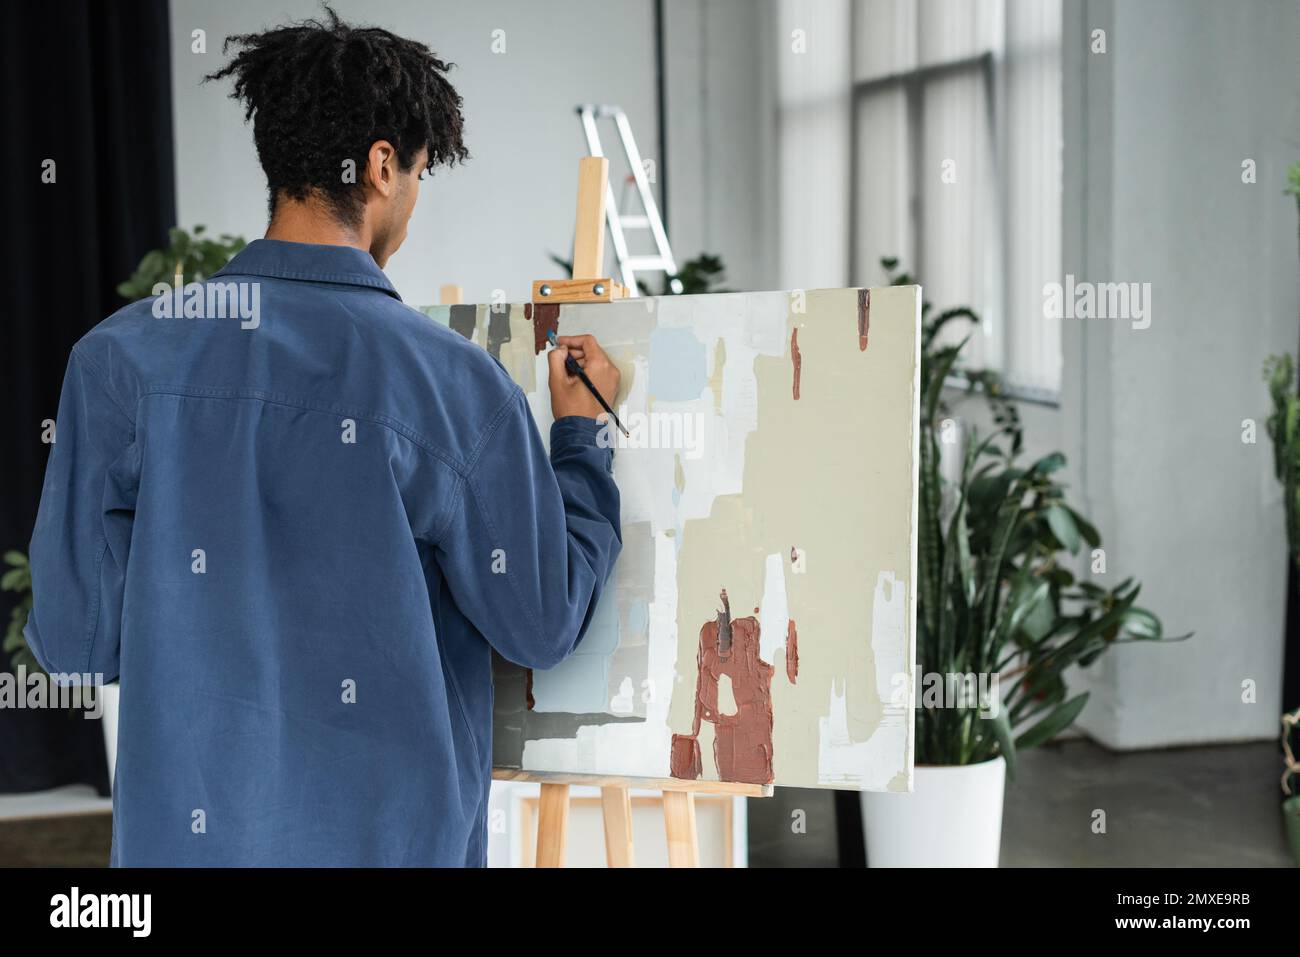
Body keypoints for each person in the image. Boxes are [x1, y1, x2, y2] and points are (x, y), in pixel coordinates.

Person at [23, 8, 622, 866]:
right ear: (382, 166)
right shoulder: (451, 385)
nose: (412, 199)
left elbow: (76, 639)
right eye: (417, 172)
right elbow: (539, 620)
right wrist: (580, 439)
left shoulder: (118, 361)